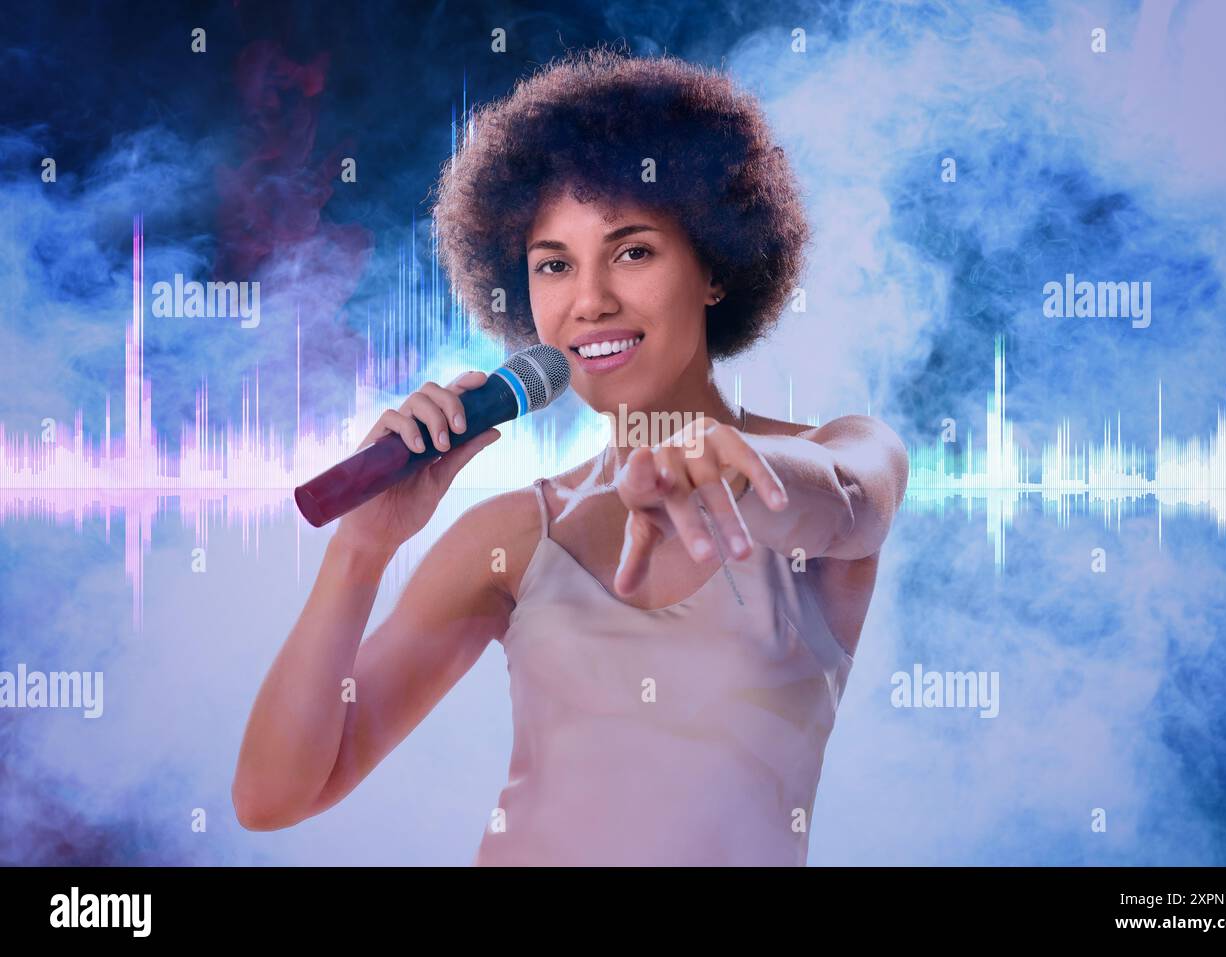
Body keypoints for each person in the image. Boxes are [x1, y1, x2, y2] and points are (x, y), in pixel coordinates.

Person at [232, 45, 909, 866]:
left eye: (633, 251)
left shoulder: (836, 455)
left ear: (716, 269)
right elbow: (274, 795)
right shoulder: (514, 533)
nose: (589, 301)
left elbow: (846, 502)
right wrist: (360, 549)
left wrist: (720, 462)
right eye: (554, 264)